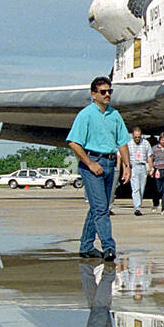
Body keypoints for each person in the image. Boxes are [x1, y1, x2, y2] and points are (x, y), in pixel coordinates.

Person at [65, 75, 131, 261]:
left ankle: (86, 246)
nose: (107, 95)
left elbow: (123, 142)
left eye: (109, 91)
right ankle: (109, 246)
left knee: (98, 207)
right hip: (92, 163)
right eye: (103, 92)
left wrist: (127, 165)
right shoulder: (85, 115)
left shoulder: (115, 115)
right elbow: (73, 142)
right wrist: (90, 163)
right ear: (94, 94)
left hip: (111, 163)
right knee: (102, 209)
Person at [126, 126, 152, 215]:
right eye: (135, 137)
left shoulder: (146, 143)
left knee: (141, 188)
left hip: (143, 167)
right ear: (132, 136)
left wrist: (151, 168)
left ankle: (139, 205)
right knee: (135, 188)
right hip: (133, 167)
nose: (137, 139)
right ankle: (137, 208)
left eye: (139, 137)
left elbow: (149, 156)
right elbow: (125, 157)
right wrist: (126, 168)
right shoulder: (129, 144)